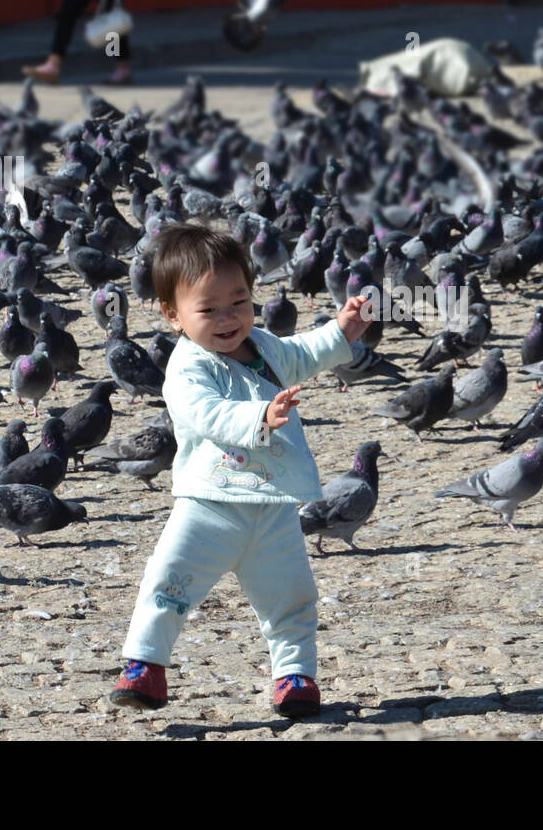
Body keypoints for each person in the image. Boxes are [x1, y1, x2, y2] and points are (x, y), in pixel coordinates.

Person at [109, 223, 372, 717]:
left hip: (273, 507)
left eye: (240, 302)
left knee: (292, 596)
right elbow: (203, 412)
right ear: (173, 315)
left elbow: (303, 353)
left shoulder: (266, 346)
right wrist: (259, 417)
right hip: (209, 504)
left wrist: (340, 332)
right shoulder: (187, 367)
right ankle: (146, 666)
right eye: (208, 309)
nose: (229, 318)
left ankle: (294, 676)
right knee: (167, 581)